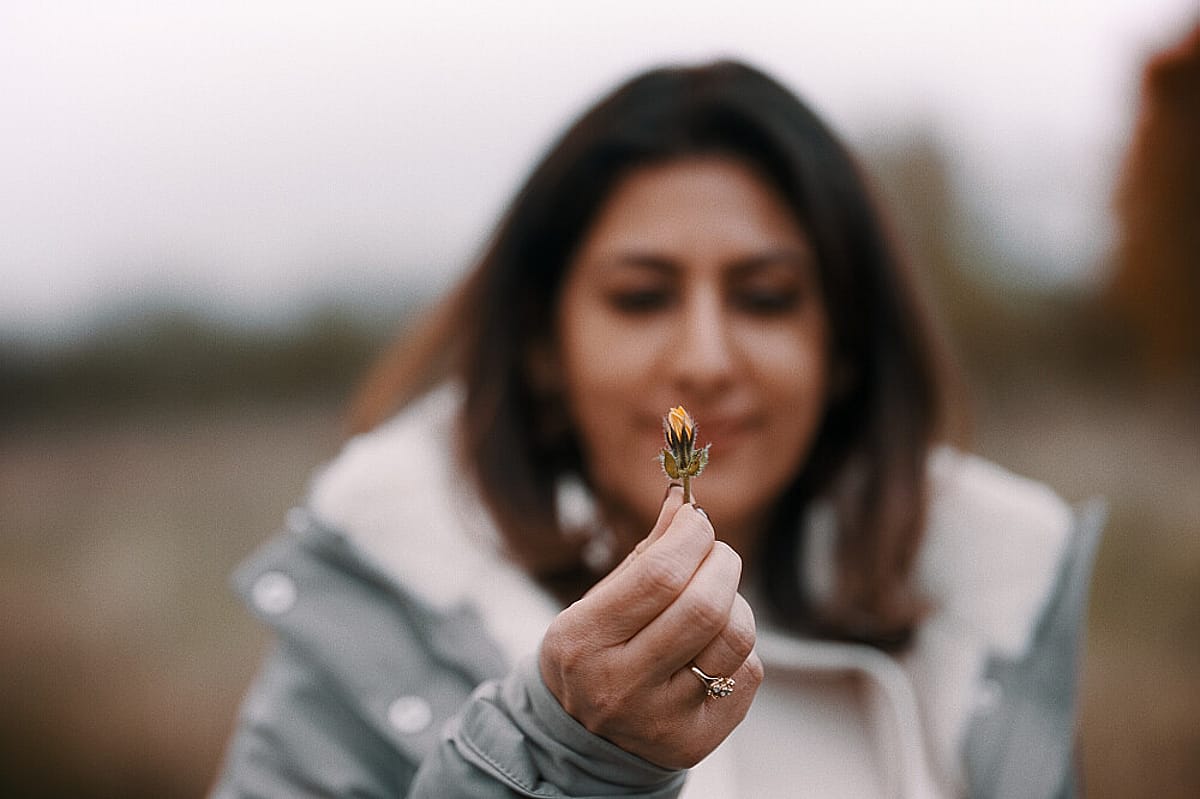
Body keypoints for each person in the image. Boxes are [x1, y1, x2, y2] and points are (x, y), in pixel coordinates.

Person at [212, 60, 1103, 798]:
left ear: (842, 347)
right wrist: (561, 758)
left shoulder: (988, 612)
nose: (707, 360)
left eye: (766, 297)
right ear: (543, 347)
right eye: (641, 297)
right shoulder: (370, 622)